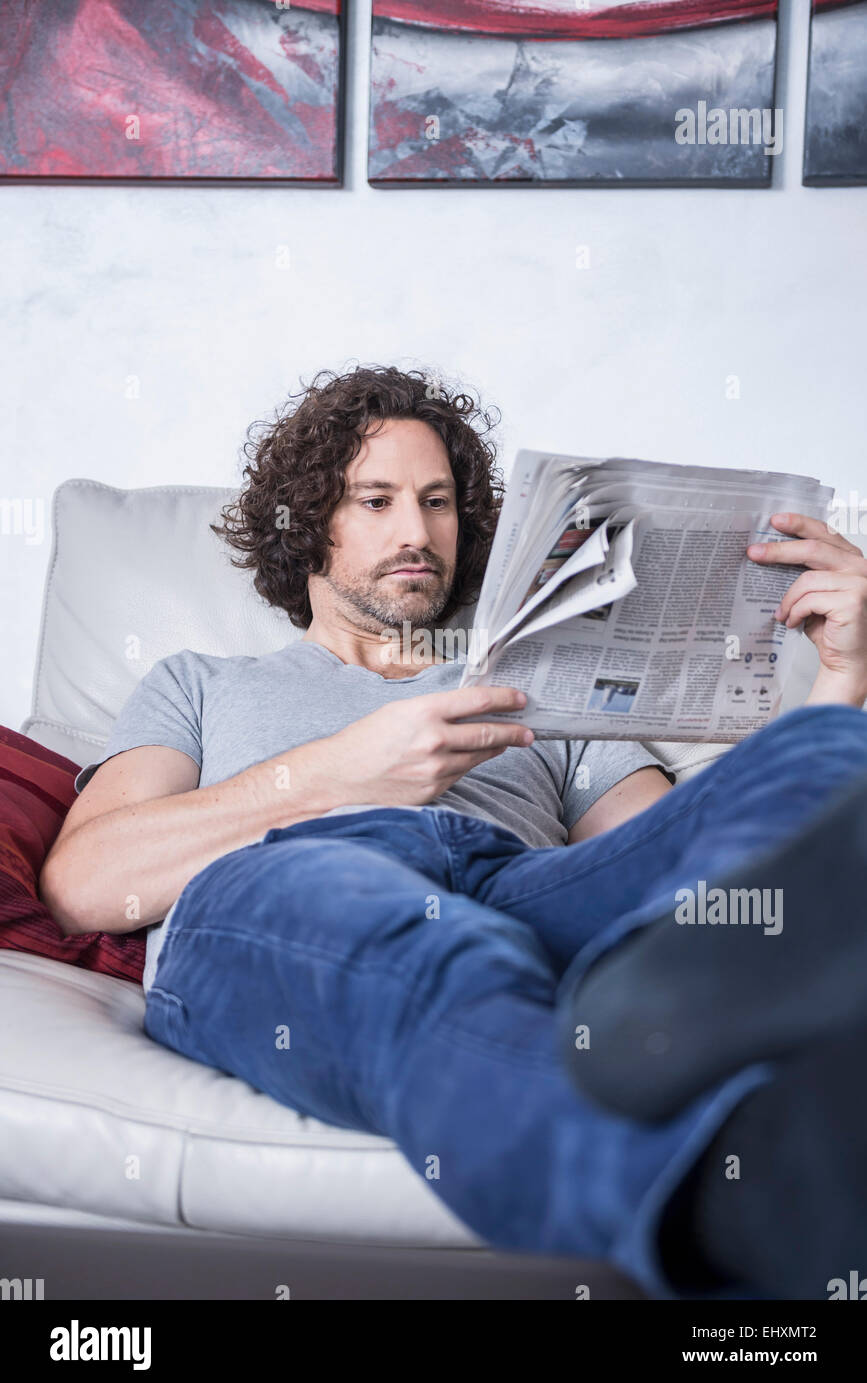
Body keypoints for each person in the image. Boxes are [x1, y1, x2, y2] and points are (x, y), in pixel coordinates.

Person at [40, 365, 867, 1300]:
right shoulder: (200, 683)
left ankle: (652, 1010)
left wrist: (841, 684)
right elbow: (86, 882)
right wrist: (334, 774)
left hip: (519, 888)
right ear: (309, 518)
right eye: (377, 500)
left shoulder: (535, 679)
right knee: (418, 943)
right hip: (290, 886)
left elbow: (678, 856)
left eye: (438, 502)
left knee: (832, 759)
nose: (416, 532)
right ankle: (725, 1192)